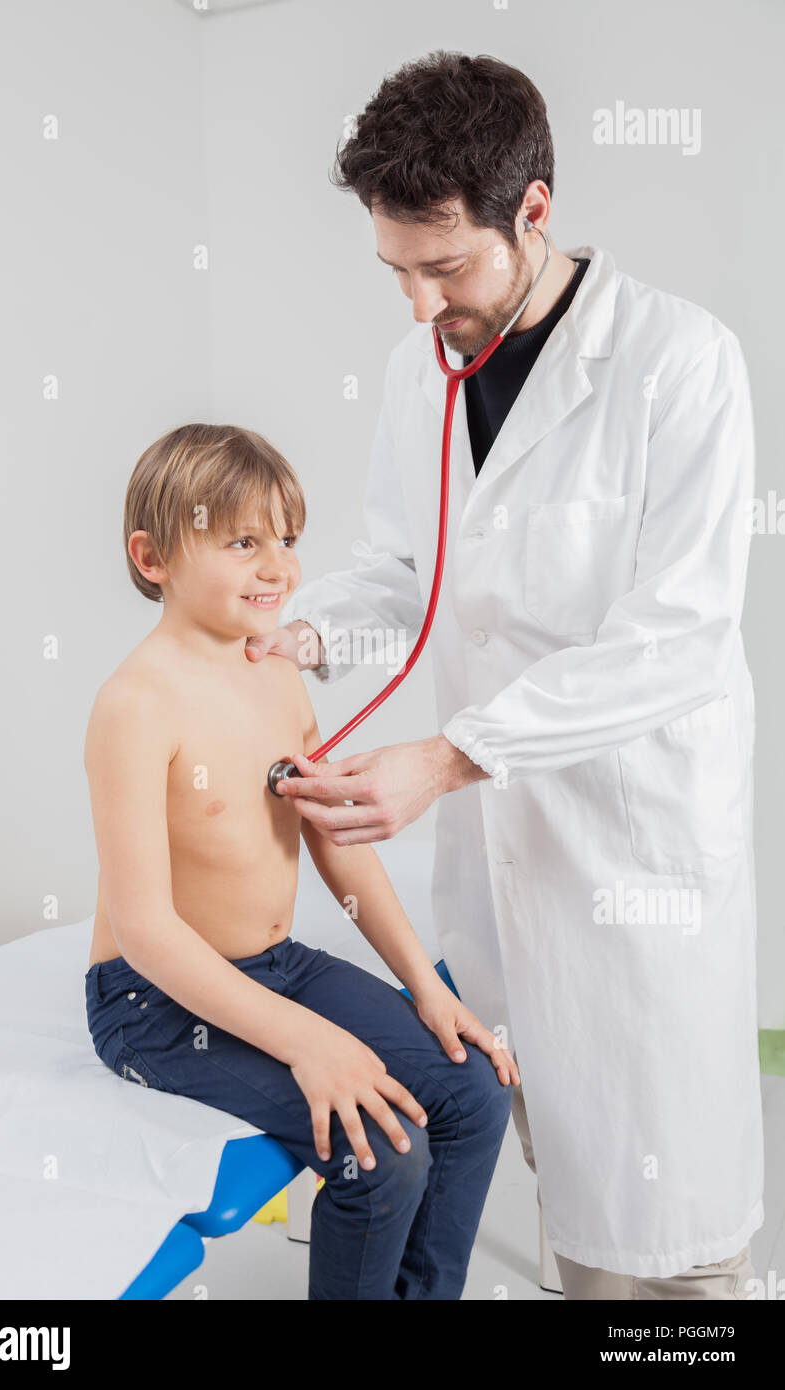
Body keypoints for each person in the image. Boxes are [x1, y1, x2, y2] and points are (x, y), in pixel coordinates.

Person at [246, 51, 764, 1299]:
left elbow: (677, 632)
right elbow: (397, 575)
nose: (419, 309)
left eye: (446, 266)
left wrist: (449, 755)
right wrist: (292, 630)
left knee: (666, 1240)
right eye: (394, 273)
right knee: (544, 1165)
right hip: (493, 859)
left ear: (532, 209)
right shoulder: (415, 370)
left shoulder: (677, 361)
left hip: (632, 853)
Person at [82, 421, 516, 1301]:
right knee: (382, 1152)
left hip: (272, 967)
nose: (278, 566)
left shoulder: (275, 669)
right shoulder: (135, 705)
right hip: (154, 999)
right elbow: (146, 930)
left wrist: (424, 990)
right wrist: (310, 1042)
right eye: (243, 541)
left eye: (286, 539)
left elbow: (331, 839)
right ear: (153, 556)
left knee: (473, 1095)